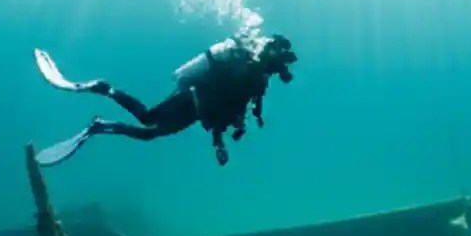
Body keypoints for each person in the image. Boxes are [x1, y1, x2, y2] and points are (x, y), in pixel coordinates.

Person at [33, 34, 298, 167]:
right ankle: (103, 89)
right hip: (190, 99)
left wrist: (219, 144)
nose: (275, 72)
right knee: (148, 120)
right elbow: (225, 102)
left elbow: (228, 112)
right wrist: (220, 136)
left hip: (196, 112)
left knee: (149, 133)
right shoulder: (247, 71)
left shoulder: (256, 82)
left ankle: (99, 126)